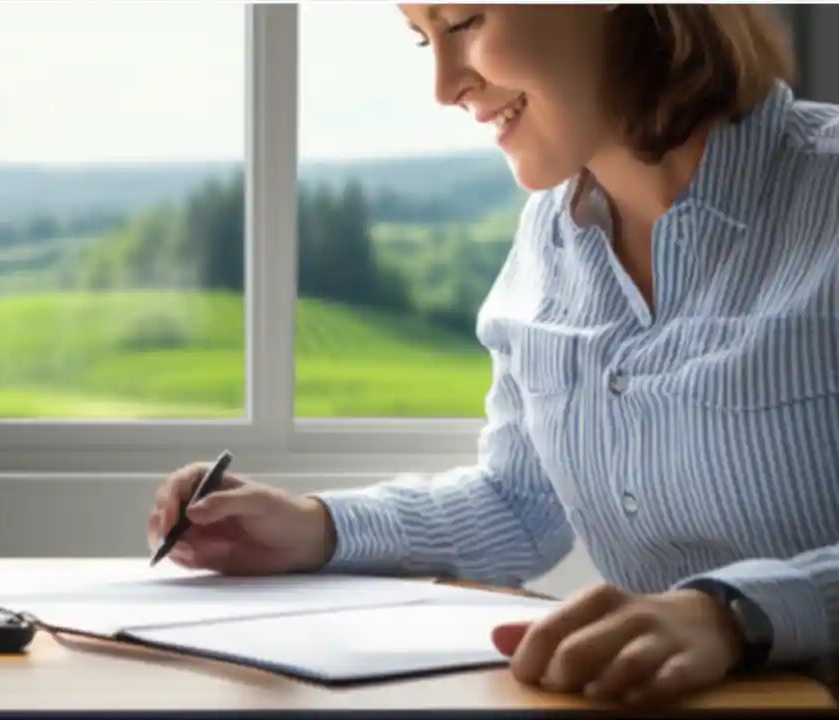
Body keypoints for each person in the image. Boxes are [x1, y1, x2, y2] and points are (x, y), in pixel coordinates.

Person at [146, 3, 838, 708]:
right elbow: (520, 501)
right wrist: (316, 528)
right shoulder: (550, 239)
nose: (446, 88)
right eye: (424, 41)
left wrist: (733, 613)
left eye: (465, 21)